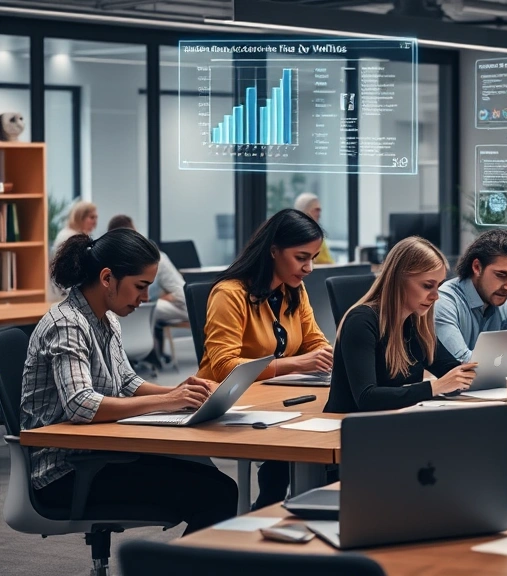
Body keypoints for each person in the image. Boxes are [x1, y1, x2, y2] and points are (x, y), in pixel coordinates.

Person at [22, 229, 237, 535]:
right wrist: (168, 401)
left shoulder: (106, 319)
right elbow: (81, 405)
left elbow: (126, 381)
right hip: (66, 473)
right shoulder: (67, 323)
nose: (145, 298)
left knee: (217, 484)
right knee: (217, 495)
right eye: (141, 286)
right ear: (107, 278)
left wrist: (182, 392)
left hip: (97, 456)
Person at [198, 208, 333, 510]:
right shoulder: (229, 293)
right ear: (273, 251)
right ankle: (270, 506)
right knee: (305, 436)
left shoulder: (293, 291)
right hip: (228, 403)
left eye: (313, 257)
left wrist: (333, 357)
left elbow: (315, 343)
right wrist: (298, 363)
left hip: (274, 401)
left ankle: (281, 503)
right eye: (301, 258)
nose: (309, 267)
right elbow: (223, 366)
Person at [325, 236, 478, 414]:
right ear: (399, 280)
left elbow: (448, 370)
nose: (436, 296)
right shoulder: (361, 321)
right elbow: (367, 398)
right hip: (349, 428)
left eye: (438, 286)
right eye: (428, 286)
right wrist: (434, 387)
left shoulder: (416, 323)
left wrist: (472, 374)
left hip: (393, 423)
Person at [434, 229, 507, 366]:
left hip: (491, 387)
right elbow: (462, 363)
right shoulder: (444, 301)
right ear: (477, 267)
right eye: (501, 275)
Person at [107, 214, 188, 326]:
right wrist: (161, 299)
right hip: (142, 314)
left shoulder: (106, 260)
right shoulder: (157, 259)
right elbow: (184, 296)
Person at [49, 201, 99, 301]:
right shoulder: (71, 238)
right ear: (80, 218)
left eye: (96, 217)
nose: (95, 222)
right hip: (65, 295)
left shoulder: (73, 234)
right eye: (91, 217)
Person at [294, 192, 333, 264]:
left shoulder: (317, 235)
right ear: (303, 211)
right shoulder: (293, 236)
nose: (319, 215)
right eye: (316, 210)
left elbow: (328, 263)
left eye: (320, 210)